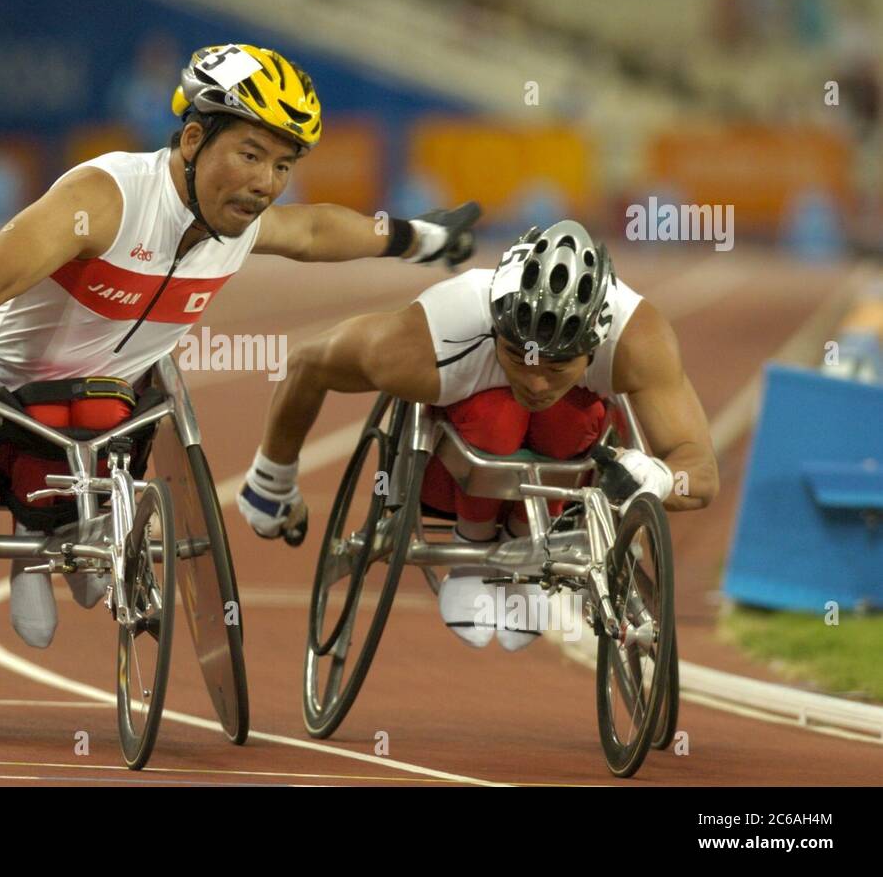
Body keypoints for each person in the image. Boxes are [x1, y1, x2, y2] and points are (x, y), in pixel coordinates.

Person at [0, 42, 477, 648]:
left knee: (112, 406)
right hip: (12, 399)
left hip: (117, 416)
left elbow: (316, 229)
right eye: (251, 154)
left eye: (282, 167)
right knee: (72, 415)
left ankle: (77, 525)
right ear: (191, 141)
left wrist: (421, 238)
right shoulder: (105, 199)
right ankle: (34, 542)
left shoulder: (235, 220)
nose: (266, 184)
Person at [237, 220, 718, 650]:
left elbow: (699, 475)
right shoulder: (433, 336)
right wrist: (271, 481)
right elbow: (307, 363)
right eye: (518, 357)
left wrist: (655, 476)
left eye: (557, 366)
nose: (536, 381)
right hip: (454, 465)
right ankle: (474, 549)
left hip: (572, 460)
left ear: (597, 344)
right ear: (493, 328)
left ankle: (528, 539)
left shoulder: (638, 341)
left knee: (571, 413)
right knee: (498, 412)